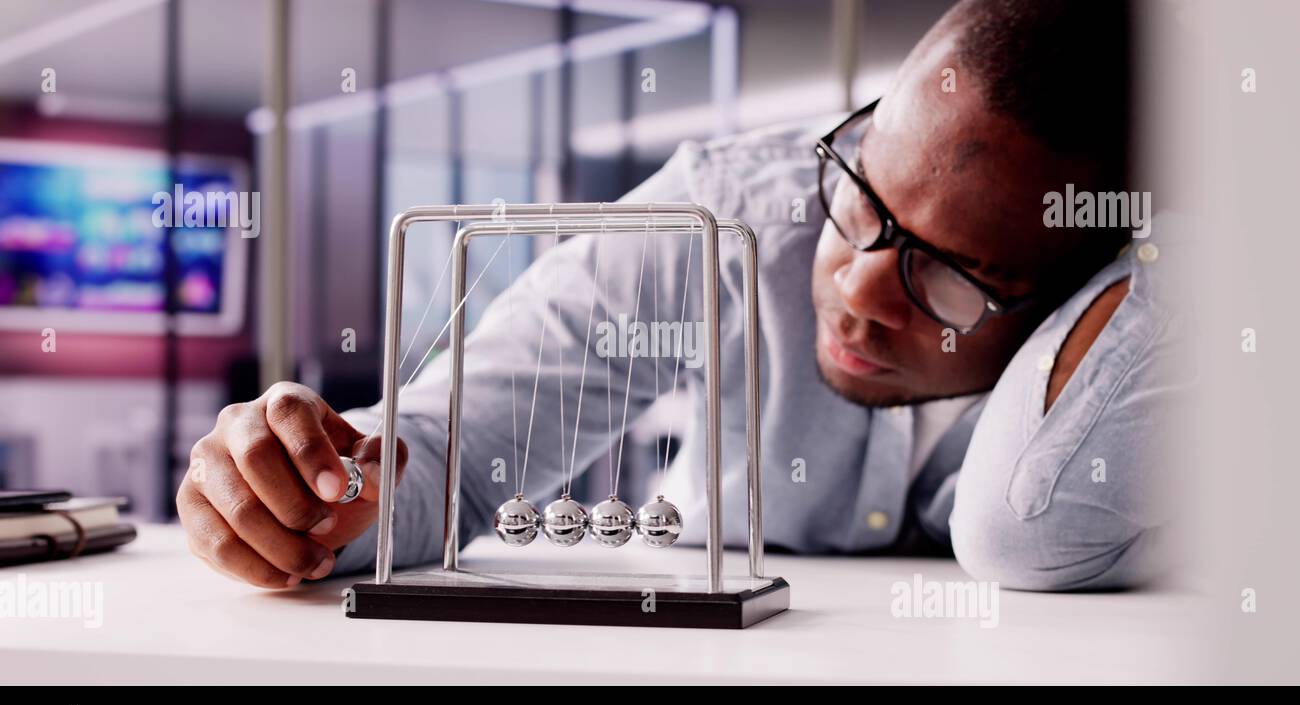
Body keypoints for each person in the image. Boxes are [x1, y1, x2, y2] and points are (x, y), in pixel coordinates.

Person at [177, 0, 1183, 592]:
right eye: (862, 186)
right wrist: (310, 487)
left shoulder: (1152, 322)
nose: (857, 286)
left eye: (956, 272)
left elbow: (1027, 525)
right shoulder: (726, 213)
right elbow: (441, 453)